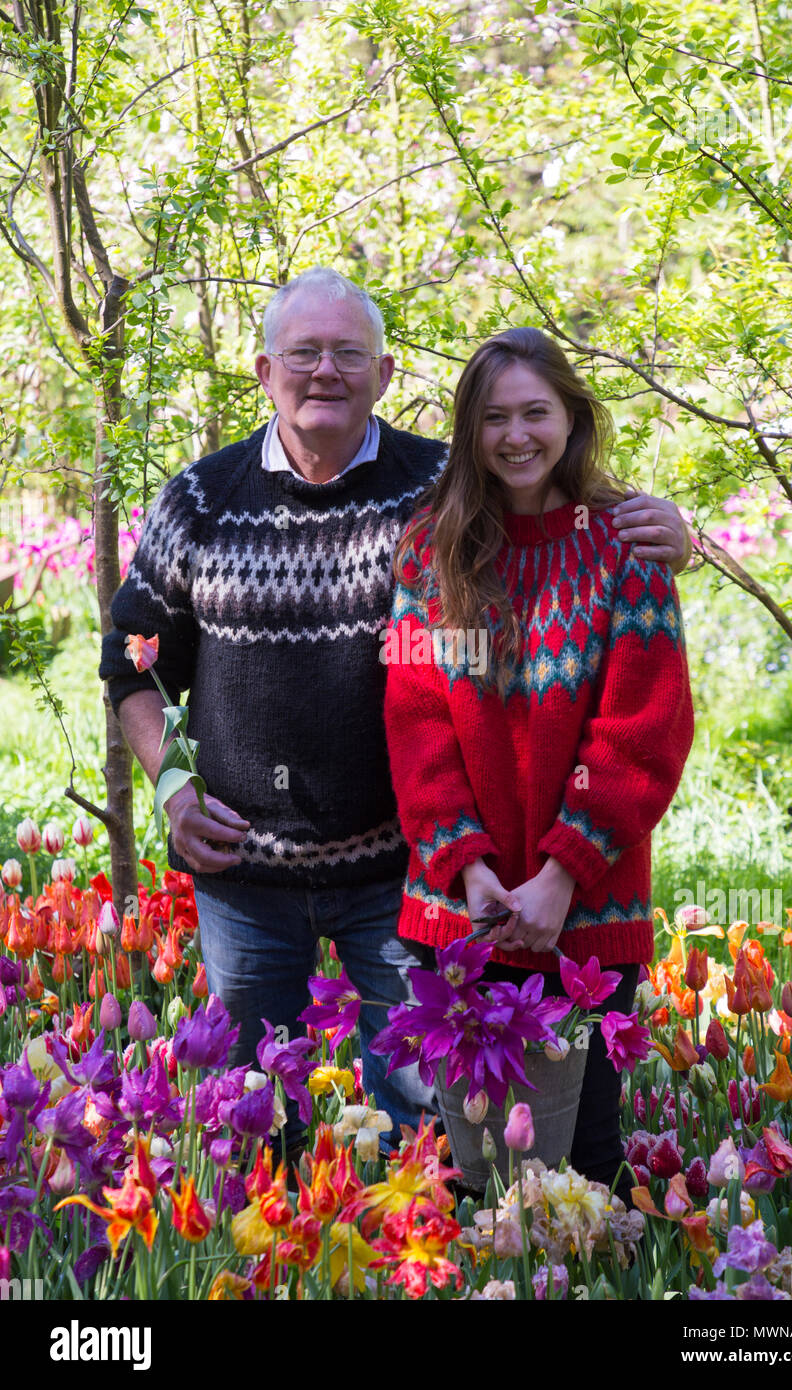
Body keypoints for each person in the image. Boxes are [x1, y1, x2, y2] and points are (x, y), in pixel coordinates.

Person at [98, 268, 692, 1157]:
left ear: (384, 374)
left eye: (350, 354)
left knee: (433, 1138)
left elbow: (557, 515)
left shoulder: (444, 492)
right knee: (257, 1127)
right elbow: (133, 661)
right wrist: (175, 791)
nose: (325, 372)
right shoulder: (204, 500)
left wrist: (679, 537)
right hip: (247, 883)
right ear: (264, 369)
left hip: (402, 875)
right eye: (303, 353)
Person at [383, 326, 694, 1196]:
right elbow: (416, 722)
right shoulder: (430, 548)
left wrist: (563, 874)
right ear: (468, 431)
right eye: (493, 419)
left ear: (572, 419)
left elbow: (642, 731)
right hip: (459, 909)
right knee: (471, 1171)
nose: (516, 436)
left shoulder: (627, 545)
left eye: (535, 413)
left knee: (583, 1167)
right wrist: (468, 866)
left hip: (589, 915)